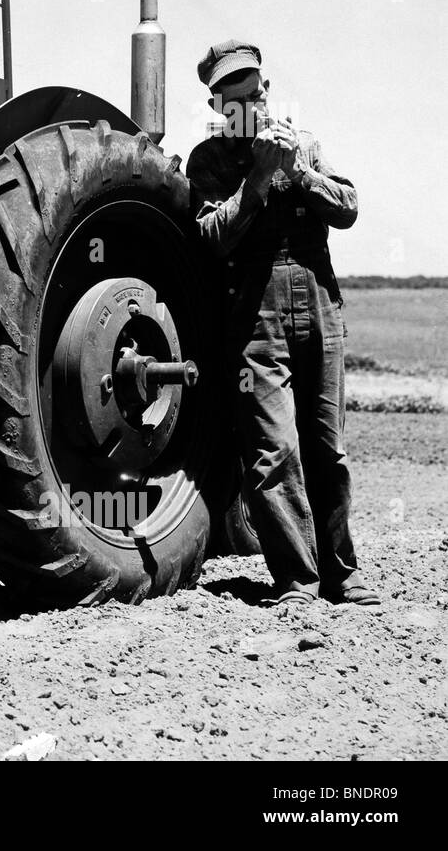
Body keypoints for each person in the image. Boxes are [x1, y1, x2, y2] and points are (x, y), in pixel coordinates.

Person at [186, 40, 379, 608]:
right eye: (242, 97)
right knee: (274, 451)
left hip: (319, 300)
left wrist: (300, 173)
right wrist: (258, 181)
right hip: (254, 310)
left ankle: (342, 574)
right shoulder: (210, 162)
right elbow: (211, 239)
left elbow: (348, 207)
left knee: (329, 448)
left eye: (261, 89)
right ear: (221, 107)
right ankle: (298, 581)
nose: (258, 102)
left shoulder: (306, 142)